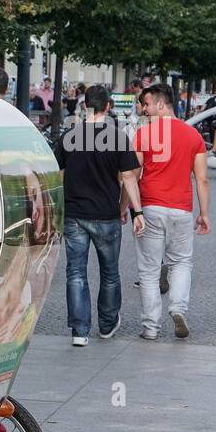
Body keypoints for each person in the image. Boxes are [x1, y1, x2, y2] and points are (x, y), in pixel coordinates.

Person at [52, 86, 144, 347]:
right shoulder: (117, 138)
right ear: (108, 107)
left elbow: (57, 175)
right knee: (110, 272)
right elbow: (129, 177)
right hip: (106, 214)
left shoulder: (69, 136)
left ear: (84, 107)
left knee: (76, 273)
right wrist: (135, 211)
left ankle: (79, 330)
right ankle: (107, 323)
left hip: (74, 215)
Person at [132, 84, 210, 340]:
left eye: (147, 104)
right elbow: (202, 179)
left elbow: (132, 175)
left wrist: (128, 208)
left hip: (151, 205)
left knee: (149, 269)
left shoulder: (144, 133)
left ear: (162, 105)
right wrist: (204, 213)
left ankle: (151, 328)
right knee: (181, 262)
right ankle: (177, 308)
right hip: (182, 209)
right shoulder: (193, 136)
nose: (144, 109)